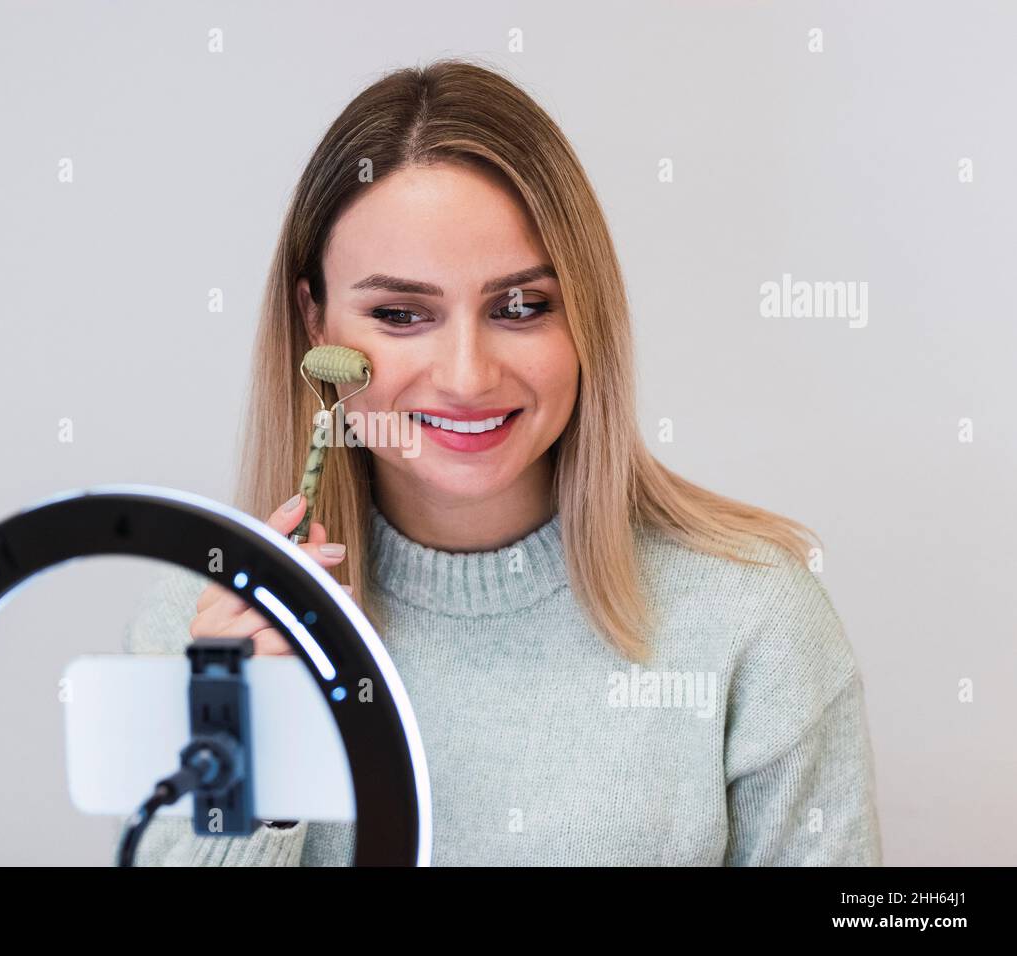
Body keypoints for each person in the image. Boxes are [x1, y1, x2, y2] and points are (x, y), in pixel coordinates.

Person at [124, 57, 882, 866]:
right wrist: (256, 752)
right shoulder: (202, 622)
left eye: (521, 307)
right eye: (400, 313)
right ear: (316, 324)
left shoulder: (754, 621)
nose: (466, 376)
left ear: (585, 314)